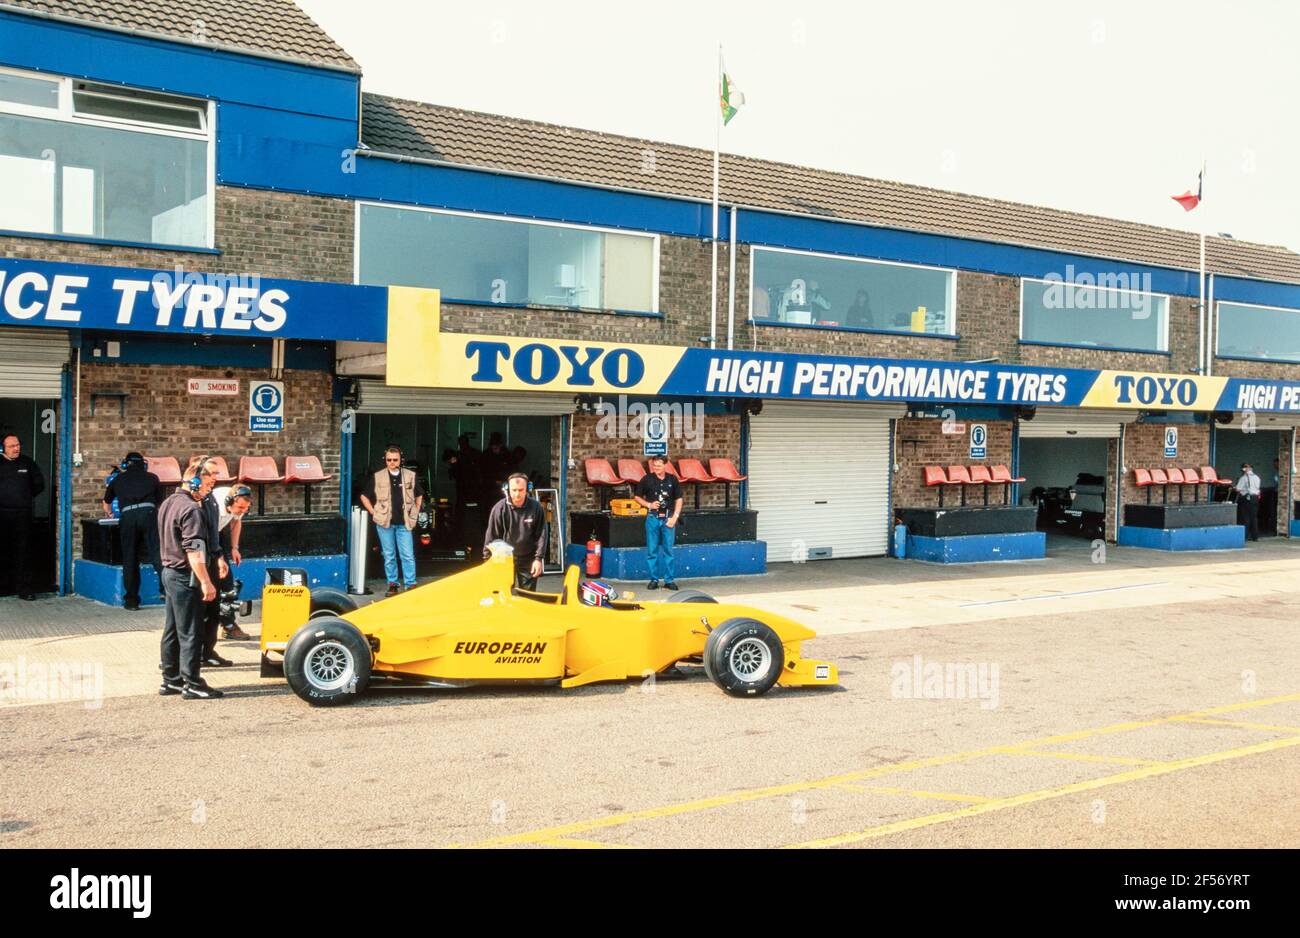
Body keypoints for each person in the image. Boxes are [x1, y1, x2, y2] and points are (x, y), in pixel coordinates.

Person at [157, 458, 222, 699]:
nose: (209, 490)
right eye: (207, 485)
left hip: (169, 573)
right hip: (186, 576)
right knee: (191, 631)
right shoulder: (192, 510)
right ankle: (193, 683)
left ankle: (170, 680)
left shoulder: (168, 502)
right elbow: (194, 550)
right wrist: (205, 580)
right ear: (194, 482)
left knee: (172, 629)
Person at [200, 483, 255, 667]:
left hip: (217, 539)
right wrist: (219, 558)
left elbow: (236, 521)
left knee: (228, 585)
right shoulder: (214, 507)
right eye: (239, 507)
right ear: (229, 501)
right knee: (220, 585)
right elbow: (209, 537)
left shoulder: (236, 507)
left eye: (245, 508)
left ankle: (227, 625)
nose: (241, 511)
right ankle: (224, 625)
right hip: (205, 542)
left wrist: (234, 548)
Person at [360, 446, 424, 595]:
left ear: (401, 459)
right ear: (385, 460)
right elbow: (364, 496)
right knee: (389, 556)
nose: (392, 462)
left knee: (407, 555)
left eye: (395, 460)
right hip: (384, 523)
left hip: (404, 523)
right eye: (389, 460)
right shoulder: (377, 476)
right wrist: (373, 512)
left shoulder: (410, 475)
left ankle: (410, 585)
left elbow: (419, 494)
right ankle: (393, 585)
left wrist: (416, 509)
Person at [102, 452, 162, 611]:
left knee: (130, 558)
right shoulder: (153, 477)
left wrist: (110, 514)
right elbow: (159, 501)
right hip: (149, 515)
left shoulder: (118, 479)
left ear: (125, 465)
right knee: (157, 554)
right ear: (143, 464)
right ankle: (167, 591)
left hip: (128, 517)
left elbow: (106, 502)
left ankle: (131, 601)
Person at [0, 433, 45, 601]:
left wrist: (24, 496)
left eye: (17, 445)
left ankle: (25, 589)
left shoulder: (27, 463)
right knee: (3, 550)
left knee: (24, 551)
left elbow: (39, 484)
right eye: (12, 446)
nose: (16, 448)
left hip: (22, 514)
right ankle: (4, 587)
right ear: (3, 448)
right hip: (2, 514)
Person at [484, 472, 548, 590]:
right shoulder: (499, 508)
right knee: (502, 595)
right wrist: (487, 559)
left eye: (520, 490)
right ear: (507, 489)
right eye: (514, 490)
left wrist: (538, 559)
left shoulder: (536, 507)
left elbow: (542, 535)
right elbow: (491, 535)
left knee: (528, 597)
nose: (517, 494)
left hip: (528, 558)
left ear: (528, 489)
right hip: (503, 559)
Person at [633, 454, 683, 591]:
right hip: (652, 518)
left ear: (665, 465)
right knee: (652, 550)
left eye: (659, 465)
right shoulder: (646, 479)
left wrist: (675, 517)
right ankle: (654, 579)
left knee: (668, 550)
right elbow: (637, 497)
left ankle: (669, 580)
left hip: (668, 519)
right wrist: (648, 505)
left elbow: (679, 499)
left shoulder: (673, 479)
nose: (656, 468)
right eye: (654, 465)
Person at [1235, 462, 1262, 542]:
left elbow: (1238, 488)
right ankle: (1255, 536)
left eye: (1244, 467)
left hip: (1246, 498)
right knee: (1254, 517)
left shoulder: (1244, 478)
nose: (1243, 469)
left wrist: (1234, 487)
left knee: (1246, 518)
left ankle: (1245, 536)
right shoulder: (1257, 477)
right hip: (1255, 498)